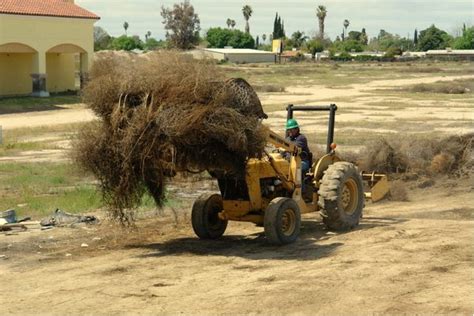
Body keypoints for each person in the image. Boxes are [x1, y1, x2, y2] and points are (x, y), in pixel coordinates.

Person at [286, 118, 313, 190]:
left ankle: (301, 190)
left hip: (302, 161)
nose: (290, 131)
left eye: (292, 129)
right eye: (288, 130)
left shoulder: (301, 138)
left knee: (296, 168)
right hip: (289, 161)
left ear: (297, 129)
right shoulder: (287, 139)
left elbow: (296, 148)